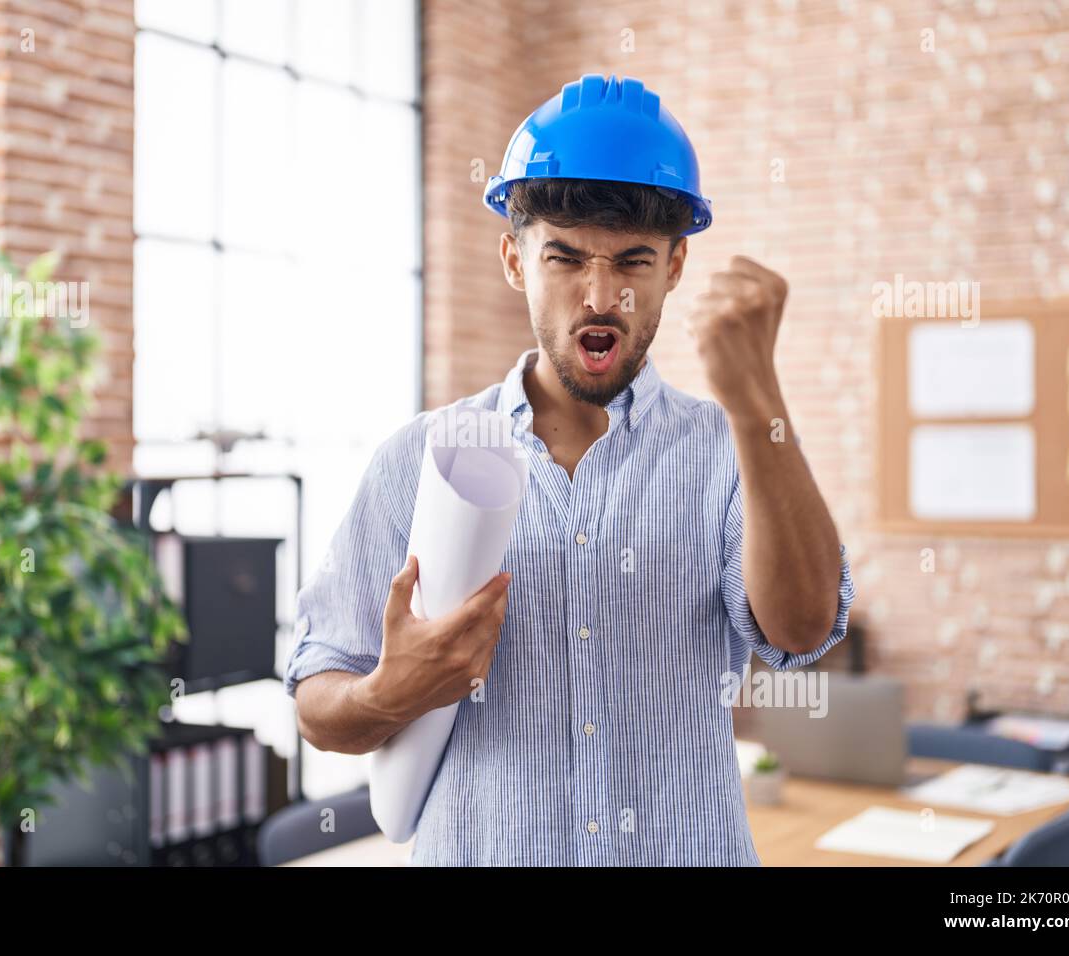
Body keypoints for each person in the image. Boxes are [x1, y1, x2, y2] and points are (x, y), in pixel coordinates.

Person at [285, 74, 855, 865]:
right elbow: (318, 704)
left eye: (633, 261)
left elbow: (801, 632)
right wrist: (391, 692)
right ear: (515, 259)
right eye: (564, 258)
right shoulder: (419, 460)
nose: (601, 297)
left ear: (676, 264)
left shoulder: (731, 453)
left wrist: (758, 403)